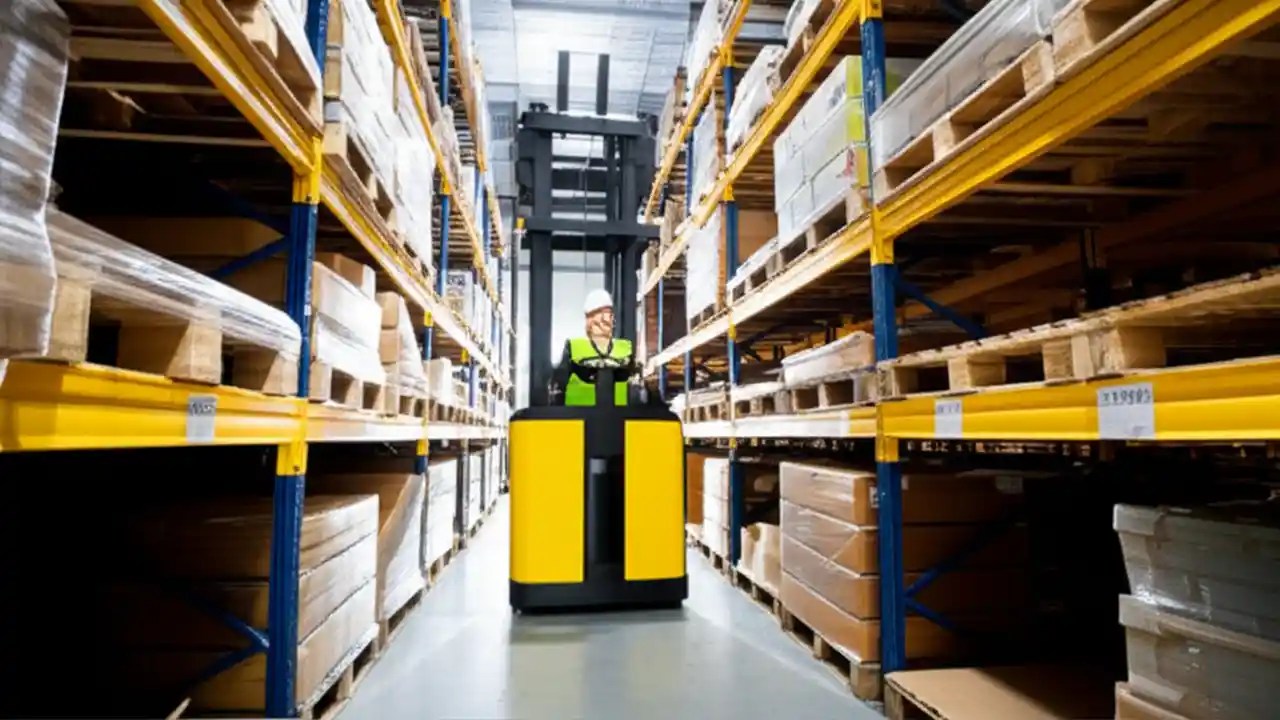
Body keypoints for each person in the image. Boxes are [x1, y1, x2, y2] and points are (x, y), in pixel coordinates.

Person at [550, 288, 633, 406]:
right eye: (599, 313)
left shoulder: (626, 348)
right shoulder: (574, 348)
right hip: (578, 420)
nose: (604, 319)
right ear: (589, 319)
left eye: (608, 313)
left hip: (621, 420)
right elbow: (558, 389)